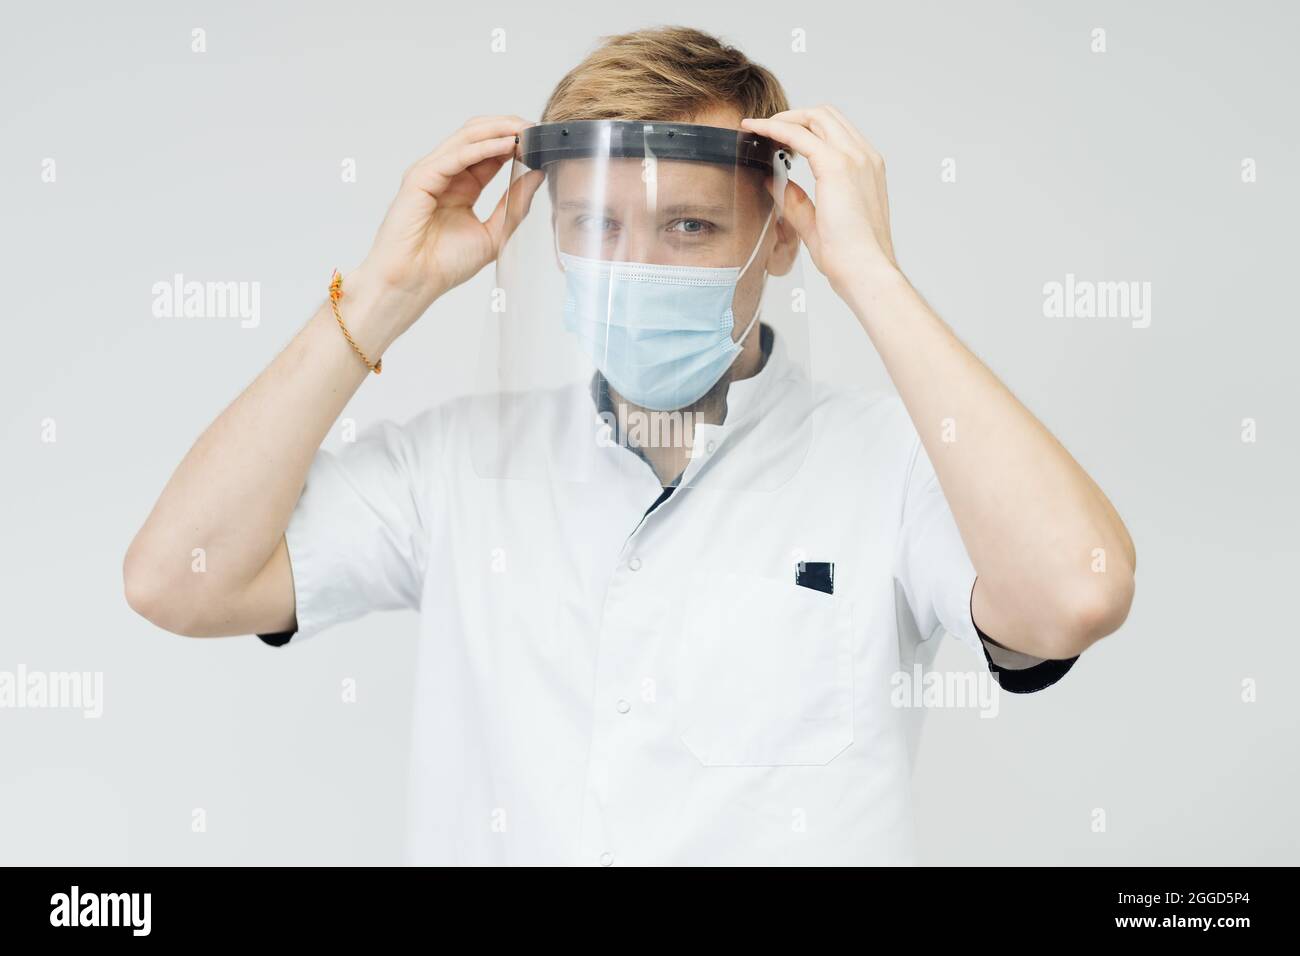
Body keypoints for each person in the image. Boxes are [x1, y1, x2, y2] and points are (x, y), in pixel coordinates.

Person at [124, 26, 1135, 865]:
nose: (637, 265)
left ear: (779, 233)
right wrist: (384, 293)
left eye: (689, 227)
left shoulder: (895, 465)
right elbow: (179, 578)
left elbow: (1071, 593)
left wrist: (870, 272)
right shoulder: (455, 467)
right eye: (596, 224)